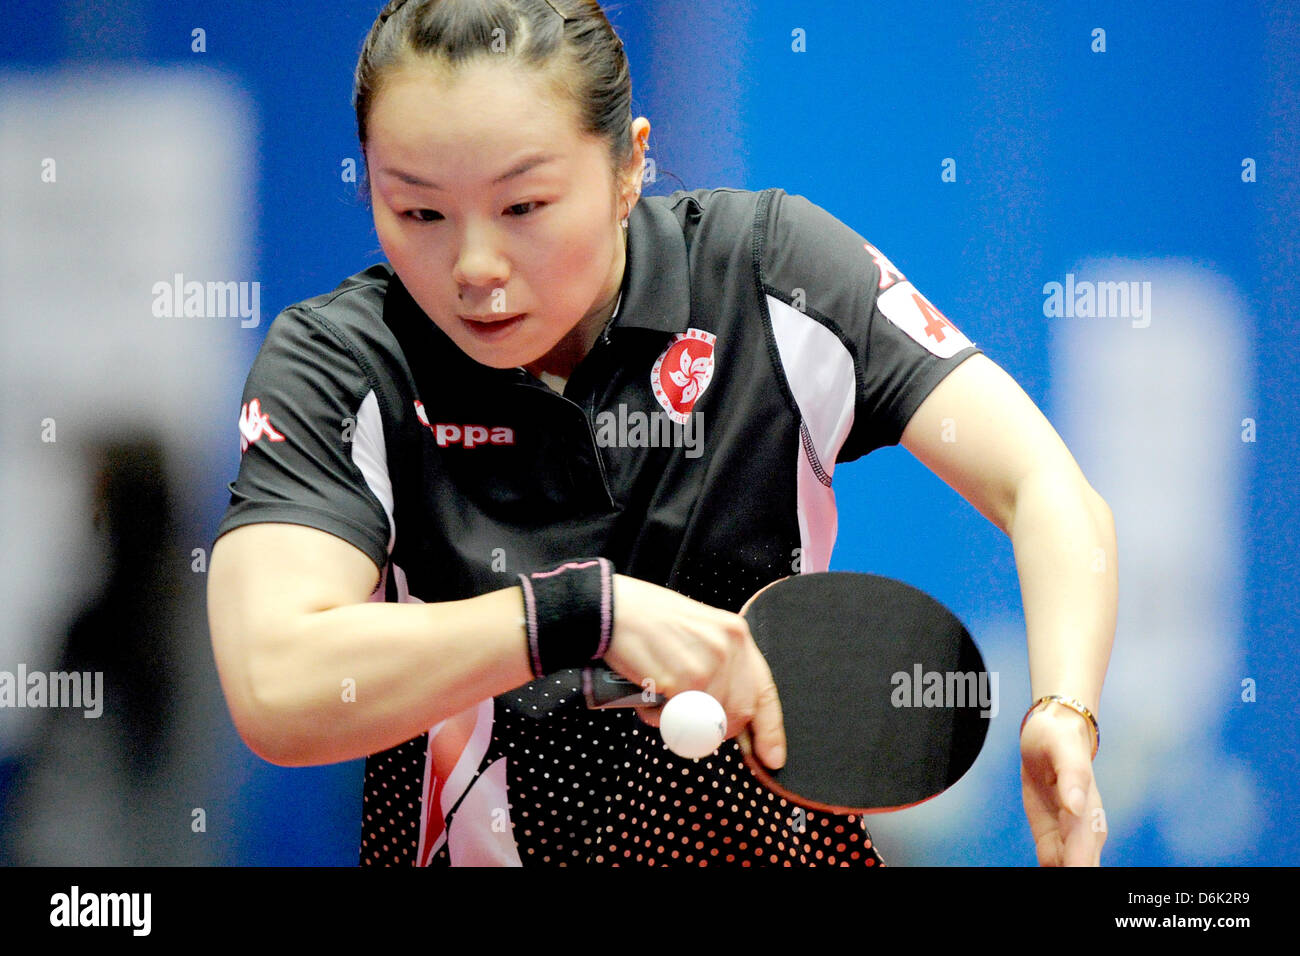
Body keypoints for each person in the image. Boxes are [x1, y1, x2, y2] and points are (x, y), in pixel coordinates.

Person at [207, 0, 1116, 867]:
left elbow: (1045, 489)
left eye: (524, 207)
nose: (475, 265)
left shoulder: (770, 279)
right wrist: (580, 617)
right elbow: (275, 683)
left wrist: (1066, 708)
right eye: (420, 213)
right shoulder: (345, 363)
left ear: (629, 165)